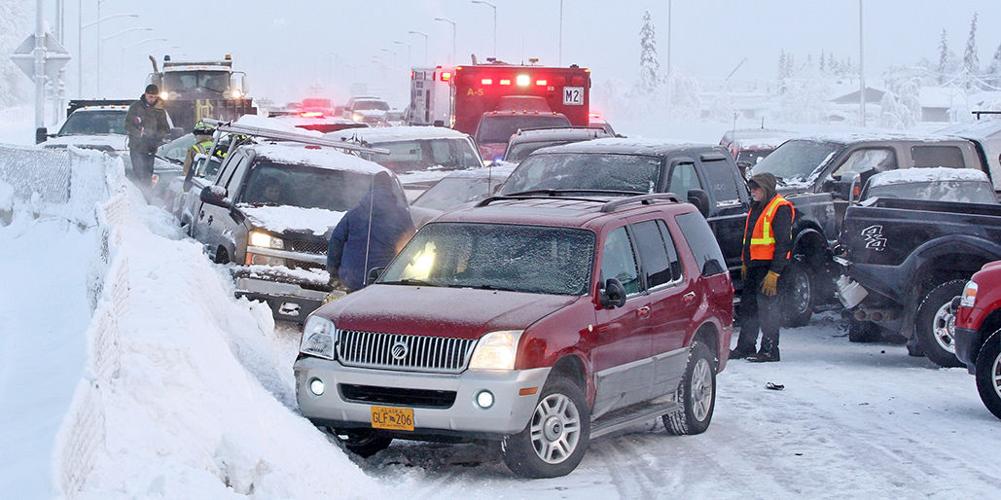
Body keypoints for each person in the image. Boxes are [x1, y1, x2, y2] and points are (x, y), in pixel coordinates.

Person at [730, 172, 795, 363]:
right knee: (749, 308)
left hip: (769, 268)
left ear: (766, 188)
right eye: (751, 188)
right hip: (754, 266)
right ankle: (745, 346)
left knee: (768, 310)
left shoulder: (779, 208)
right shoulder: (757, 206)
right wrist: (746, 261)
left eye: (756, 188)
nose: (753, 192)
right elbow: (750, 238)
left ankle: (769, 350)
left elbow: (784, 244)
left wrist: (775, 272)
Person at [327, 172, 415, 293]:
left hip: (352, 279)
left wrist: (333, 271)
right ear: (390, 188)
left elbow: (336, 242)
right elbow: (411, 245)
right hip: (386, 278)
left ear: (371, 187)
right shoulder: (402, 216)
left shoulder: (354, 214)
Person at [125, 84, 169, 188]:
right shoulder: (136, 107)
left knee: (148, 175)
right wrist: (139, 133)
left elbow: (165, 128)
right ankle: (138, 195)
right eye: (150, 96)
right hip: (136, 147)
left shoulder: (160, 111)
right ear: (145, 94)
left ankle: (147, 196)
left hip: (151, 147)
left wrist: (155, 135)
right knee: (138, 173)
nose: (152, 99)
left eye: (155, 97)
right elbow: (127, 125)